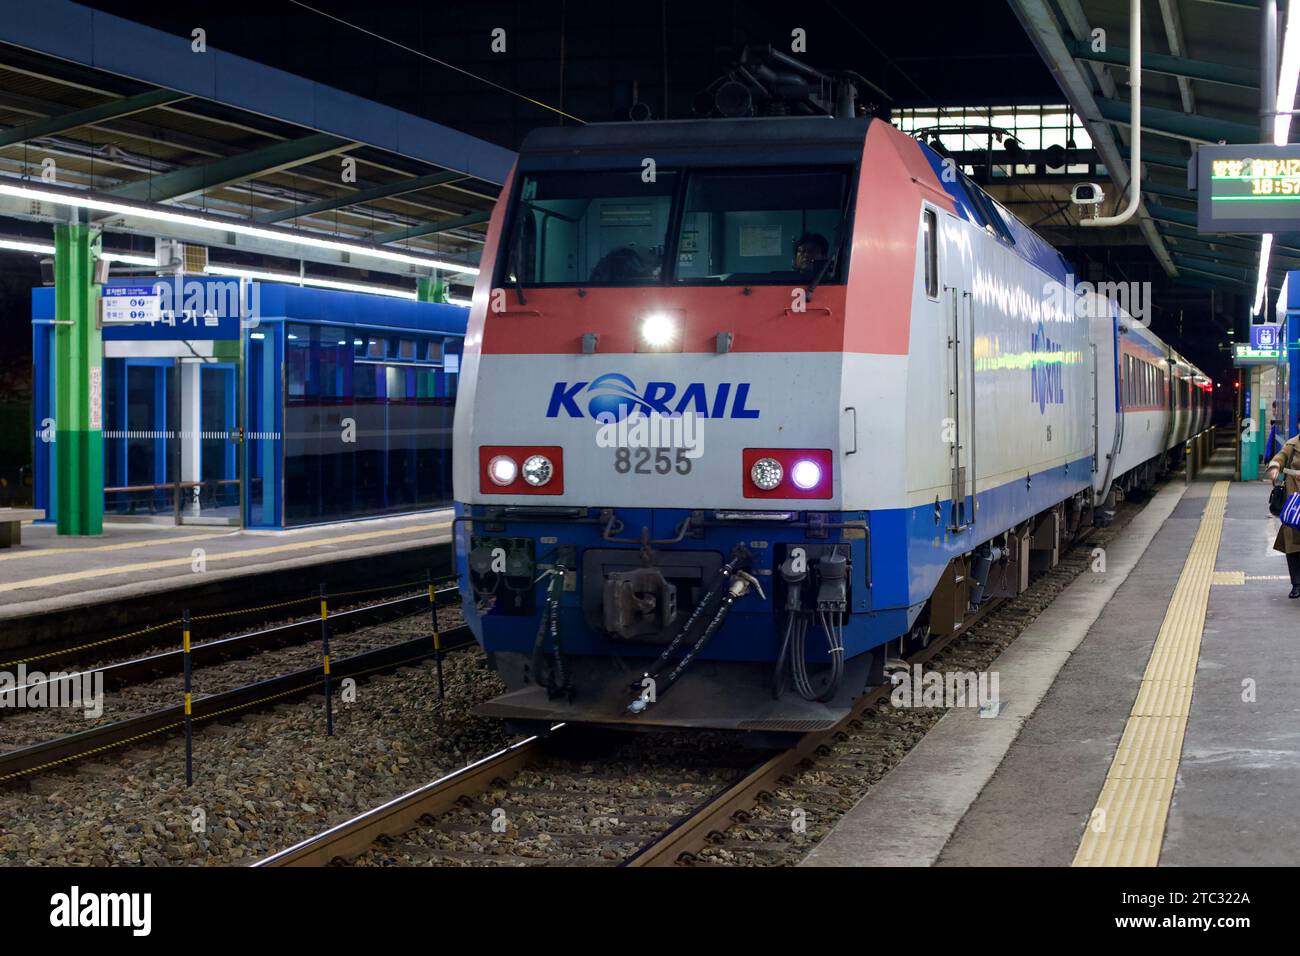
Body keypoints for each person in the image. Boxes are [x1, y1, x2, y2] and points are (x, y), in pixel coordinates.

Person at [1267, 433, 1300, 598]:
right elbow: (1280, 456)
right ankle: (1296, 584)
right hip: (1294, 503)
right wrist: (1275, 466)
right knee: (1292, 543)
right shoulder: (1292, 444)